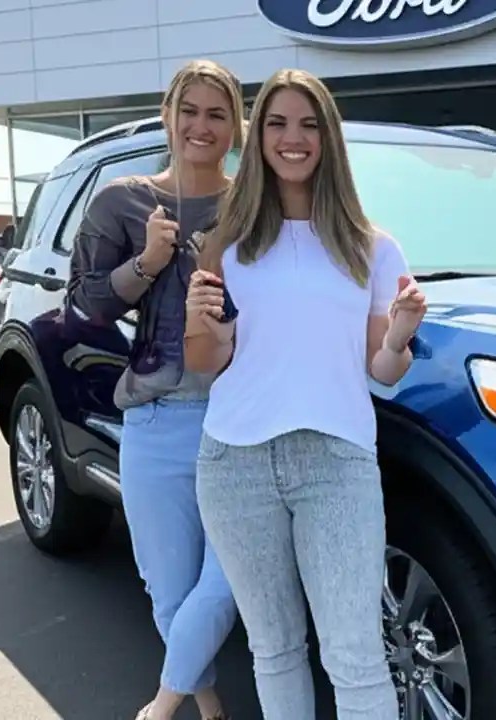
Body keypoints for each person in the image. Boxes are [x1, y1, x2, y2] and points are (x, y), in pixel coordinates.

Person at [182, 68, 427, 720]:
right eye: (278, 123)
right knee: (275, 647)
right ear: (258, 137)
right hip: (235, 461)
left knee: (354, 654)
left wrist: (399, 335)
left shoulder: (371, 246)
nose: (293, 139)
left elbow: (382, 370)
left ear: (328, 138)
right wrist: (201, 323)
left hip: (336, 462)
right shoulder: (227, 242)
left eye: (309, 124)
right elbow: (207, 362)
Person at [65, 59, 246, 720]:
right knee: (166, 587)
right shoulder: (121, 199)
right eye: (189, 110)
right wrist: (145, 263)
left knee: (231, 581)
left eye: (217, 113)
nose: (201, 126)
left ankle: (161, 706)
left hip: (240, 419)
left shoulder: (255, 201)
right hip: (157, 416)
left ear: (235, 126)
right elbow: (83, 309)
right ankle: (208, 705)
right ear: (168, 115)